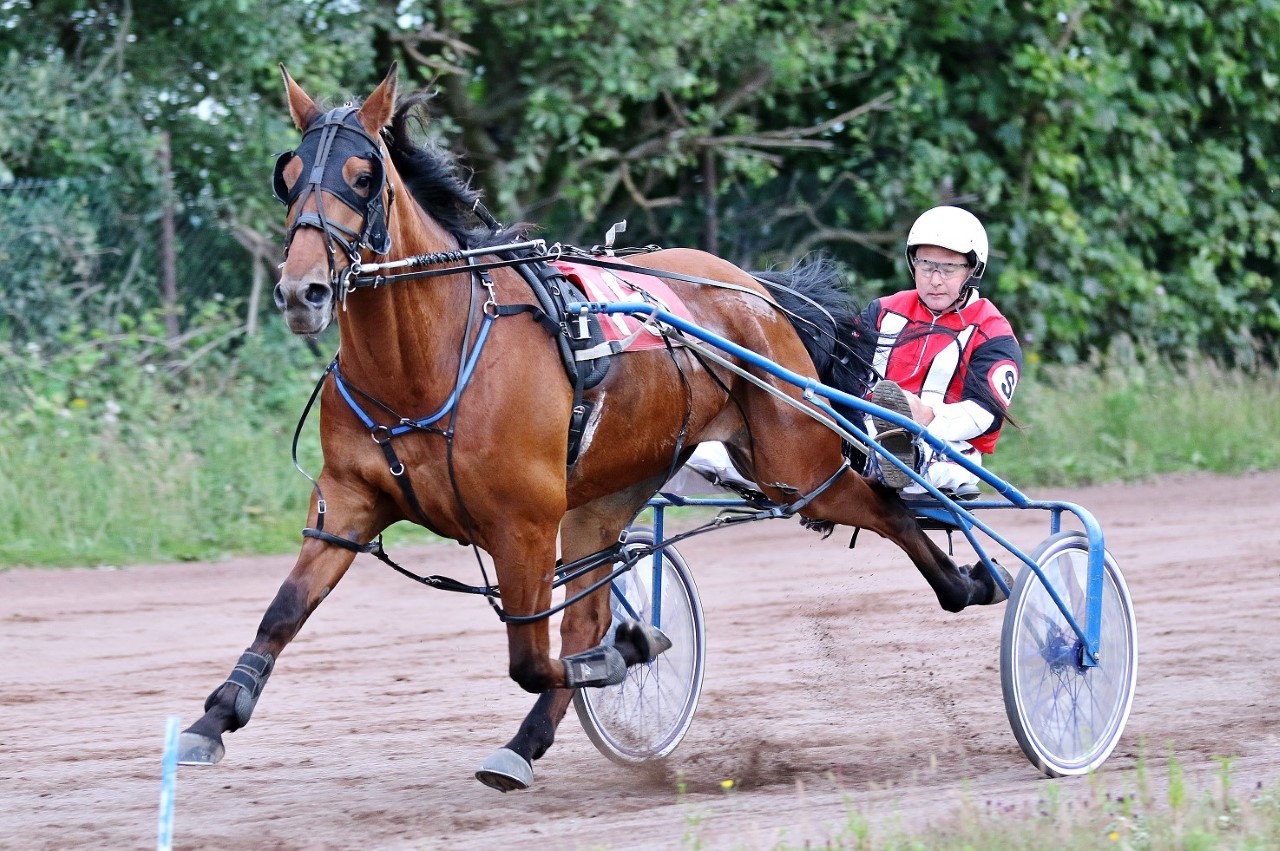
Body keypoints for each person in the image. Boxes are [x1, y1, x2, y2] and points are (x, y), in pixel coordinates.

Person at [861, 205, 1022, 498]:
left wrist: (928, 416)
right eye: (926, 266)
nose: (935, 280)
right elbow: (848, 377)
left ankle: (902, 460)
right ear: (913, 265)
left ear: (972, 269)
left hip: (946, 446)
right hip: (862, 434)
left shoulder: (992, 330)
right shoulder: (882, 311)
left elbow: (985, 413)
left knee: (922, 451)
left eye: (948, 269)